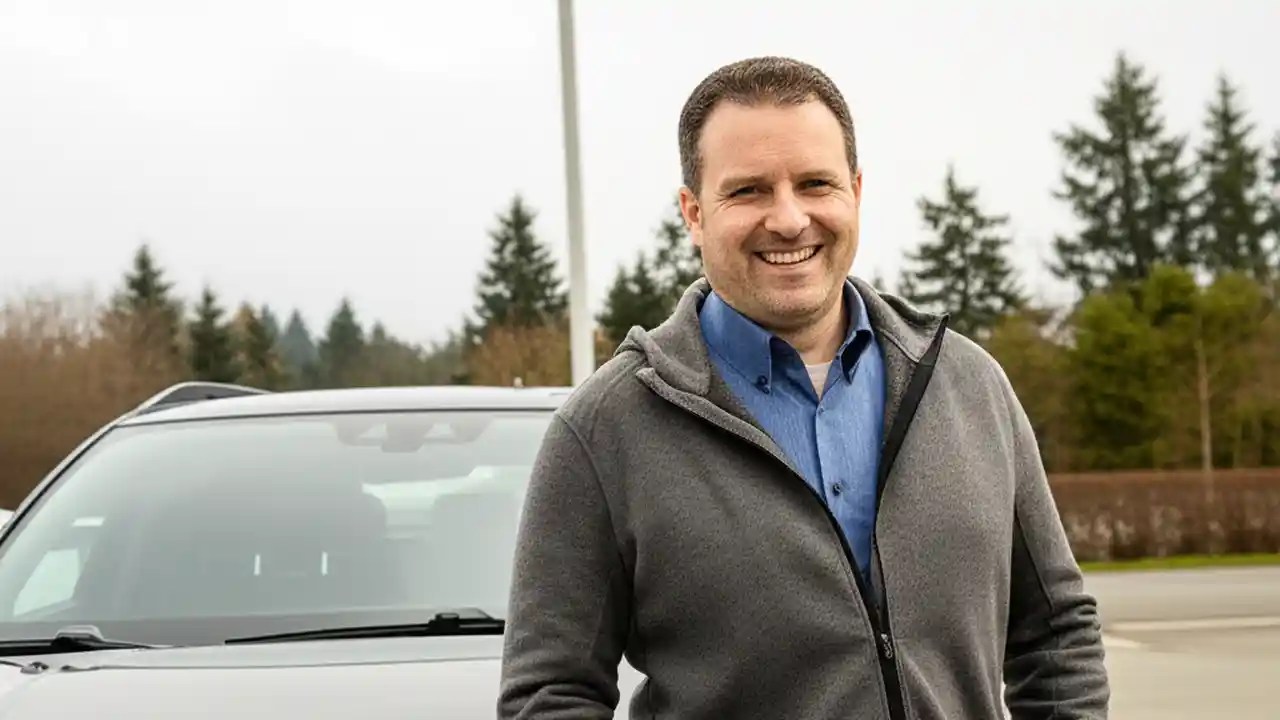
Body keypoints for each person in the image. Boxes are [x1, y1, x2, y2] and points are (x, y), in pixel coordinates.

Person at [498, 56, 1109, 720]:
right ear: (693, 213)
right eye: (749, 191)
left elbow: (1056, 636)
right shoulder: (606, 430)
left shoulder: (970, 388)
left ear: (856, 190)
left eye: (815, 183)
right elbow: (550, 695)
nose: (789, 220)